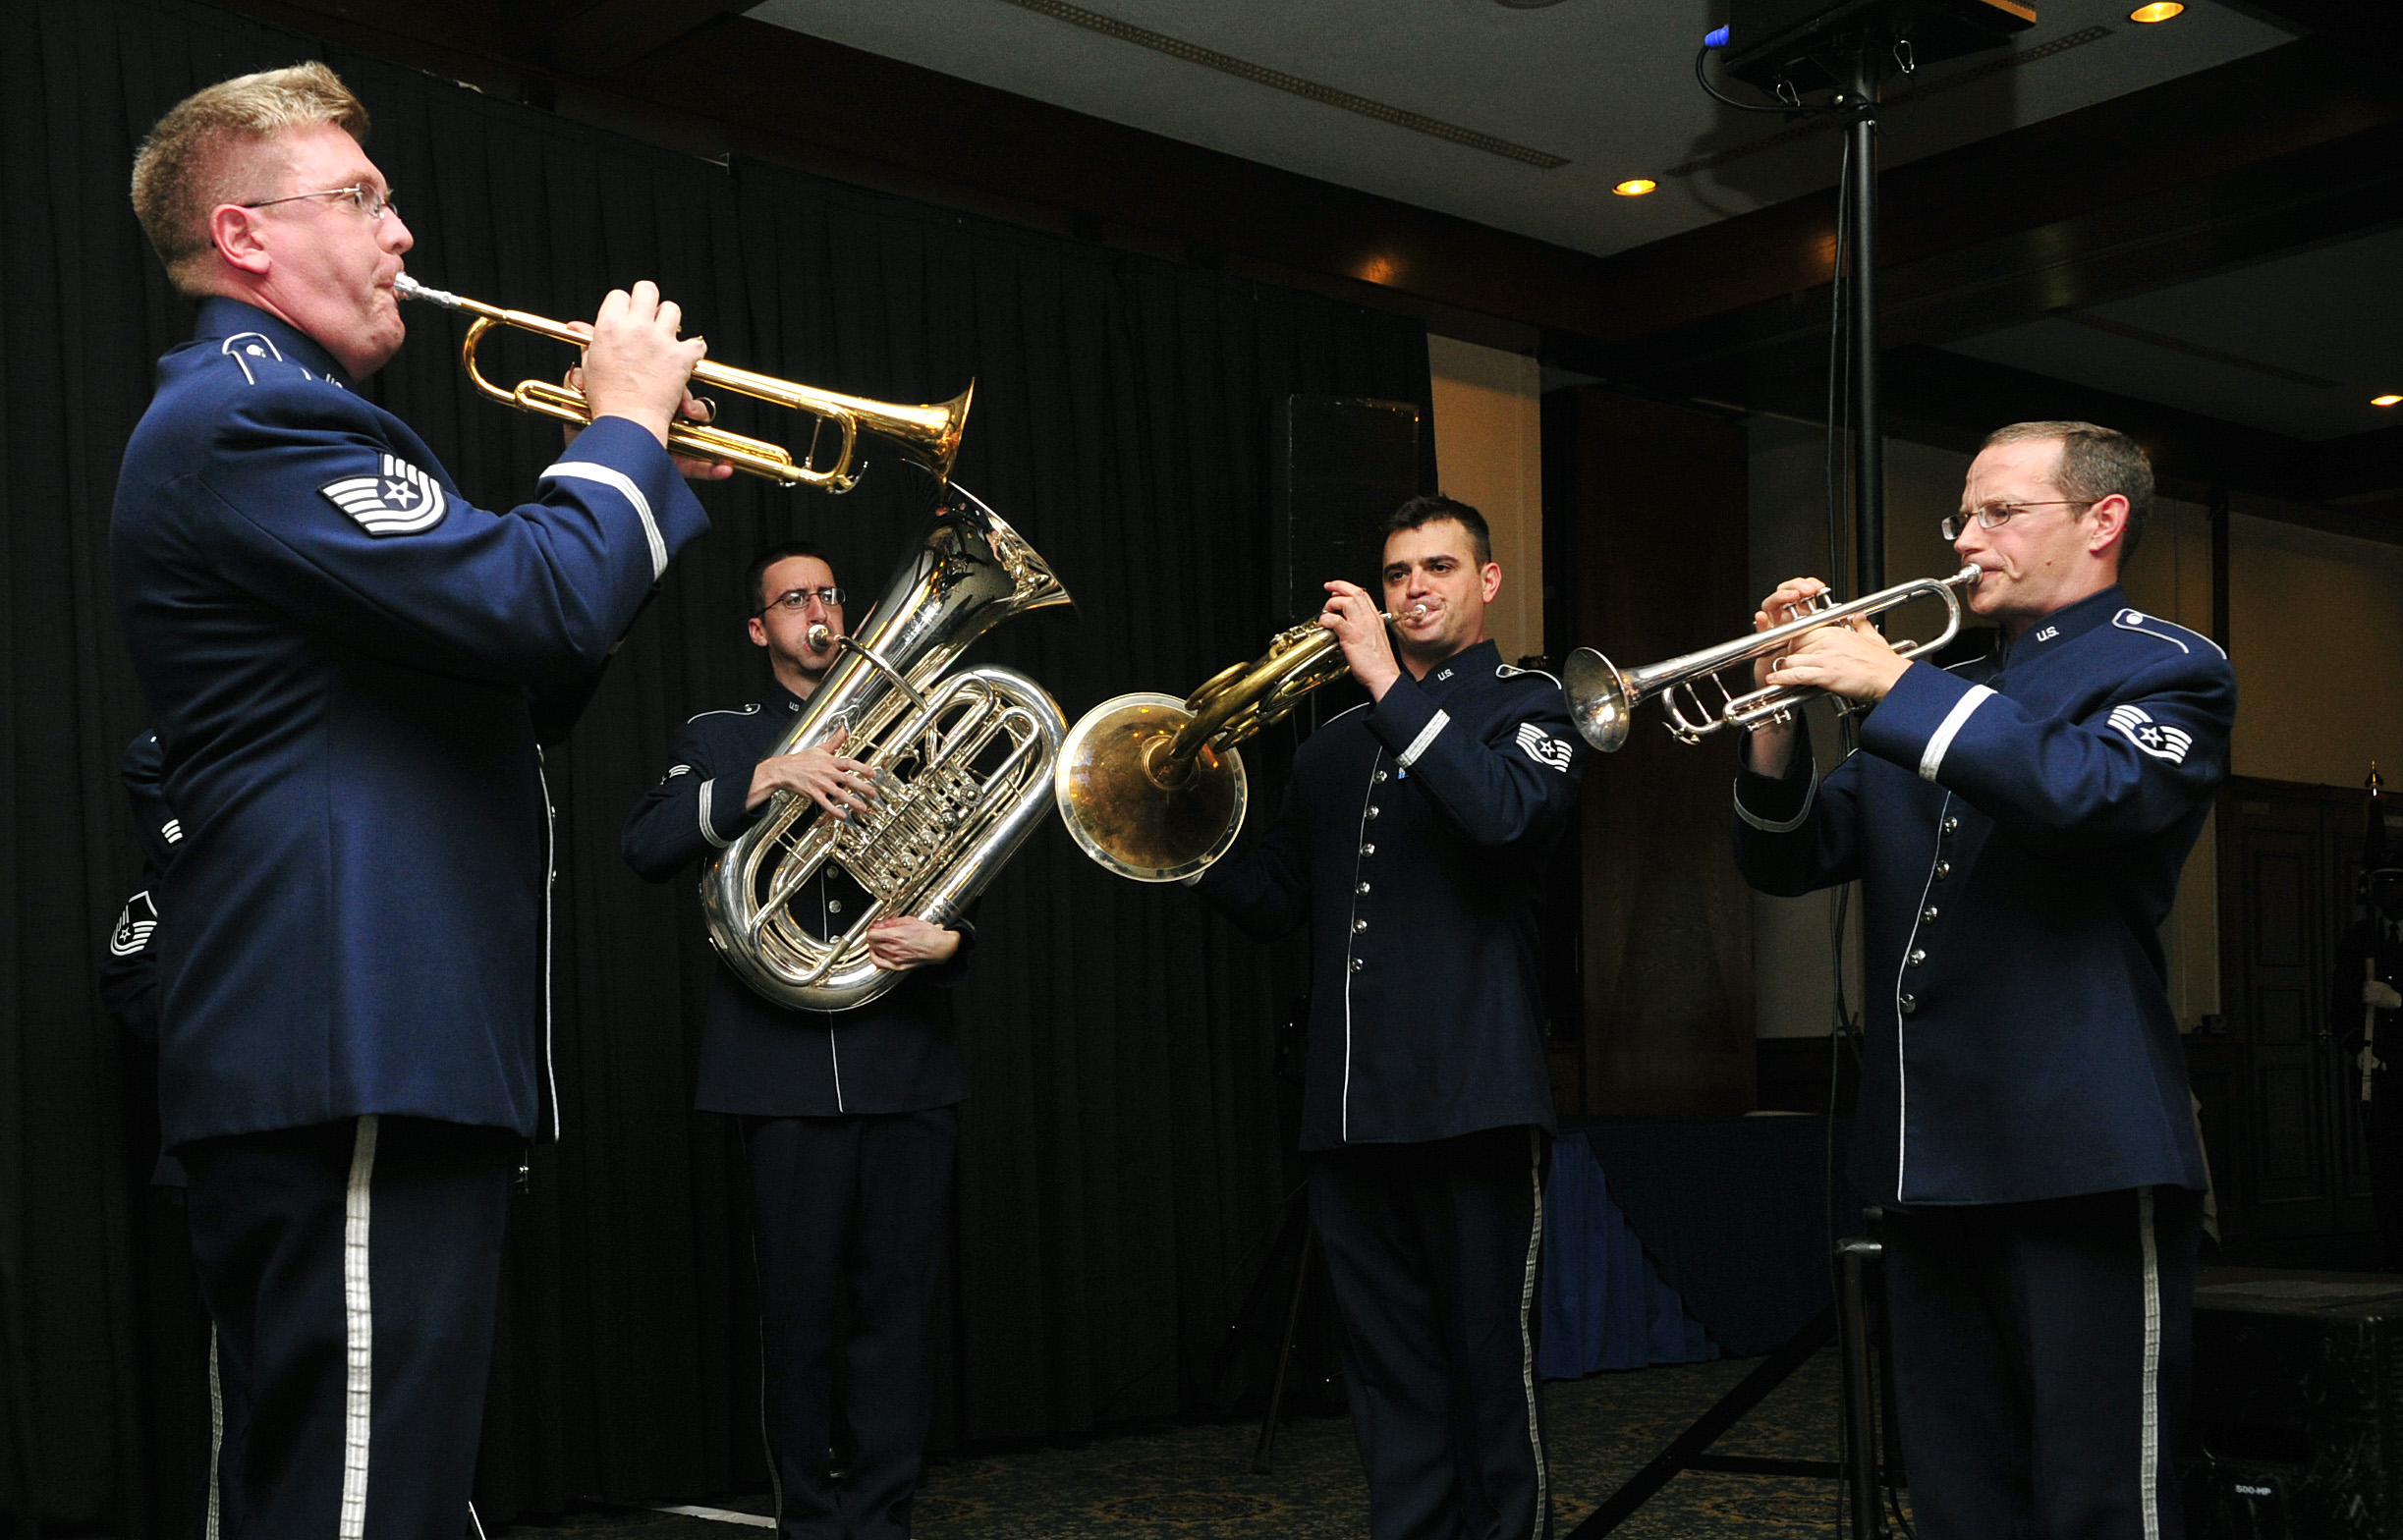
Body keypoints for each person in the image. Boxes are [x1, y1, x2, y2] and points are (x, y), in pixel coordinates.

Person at [112, 62, 722, 1537]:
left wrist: (633, 488)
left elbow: (504, 682)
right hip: (353, 1026)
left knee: (340, 1482)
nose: (401, 234)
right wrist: (622, 435)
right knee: (361, 1500)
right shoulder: (255, 418)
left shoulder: (283, 419)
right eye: (361, 200)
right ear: (246, 236)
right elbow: (526, 608)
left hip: (353, 1036)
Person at [1732, 421, 2237, 1539]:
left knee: (2100, 1491)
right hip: (1928, 1152)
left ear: (2102, 521)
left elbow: (2088, 791)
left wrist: (1891, 683)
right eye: (1962, 515)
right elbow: (1791, 858)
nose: (1966, 539)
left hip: (2082, 1146)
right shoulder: (1941, 683)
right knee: (1962, 1492)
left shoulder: (2168, 663)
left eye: (1999, 513)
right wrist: (1775, 723)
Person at [1191, 495, 1582, 1540]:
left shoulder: (1529, 705)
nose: (1414, 589)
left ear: (1486, 582)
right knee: (1390, 1380)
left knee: (1490, 1374)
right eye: (1398, 570)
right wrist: (1177, 834)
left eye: (1438, 568)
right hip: (1350, 1116)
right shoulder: (1330, 749)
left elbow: (1502, 815)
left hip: (1475, 1102)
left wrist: (1381, 682)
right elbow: (1276, 900)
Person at [622, 541, 973, 1540]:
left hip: (905, 1062)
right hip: (778, 1072)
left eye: (829, 593)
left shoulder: (916, 723)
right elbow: (644, 842)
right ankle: (812, 1521)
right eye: (792, 599)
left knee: (898, 1316)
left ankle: (882, 1515)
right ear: (758, 627)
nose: (817, 609)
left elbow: (961, 858)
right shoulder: (725, 732)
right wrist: (764, 779)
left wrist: (950, 937)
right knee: (802, 1317)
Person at [2332, 773, 2403, 1269]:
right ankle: (2392, 1247)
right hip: (2378, 1072)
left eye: (2396, 883)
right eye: (2380, 883)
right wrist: (2357, 1043)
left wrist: (2399, 1000)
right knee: (2386, 1166)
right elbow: (2339, 1006)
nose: (2387, 891)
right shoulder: (2359, 939)